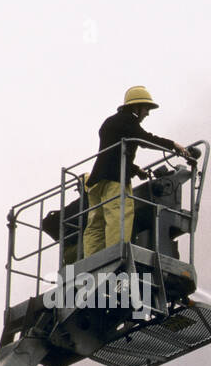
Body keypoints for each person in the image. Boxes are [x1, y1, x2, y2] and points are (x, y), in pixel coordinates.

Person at [81, 86, 196, 257]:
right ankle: (116, 256)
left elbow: (112, 154)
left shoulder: (110, 122)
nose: (147, 113)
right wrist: (173, 146)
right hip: (115, 181)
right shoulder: (129, 121)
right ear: (136, 107)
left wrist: (135, 170)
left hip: (96, 181)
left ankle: (91, 261)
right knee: (118, 216)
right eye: (146, 109)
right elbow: (145, 139)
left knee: (96, 224)